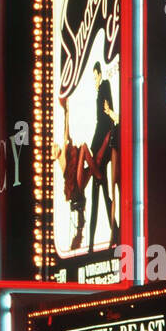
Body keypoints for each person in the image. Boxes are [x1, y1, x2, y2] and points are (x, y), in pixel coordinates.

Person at [54, 99, 104, 250]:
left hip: (78, 185)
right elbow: (65, 134)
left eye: (53, 146)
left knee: (97, 159)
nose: (54, 146)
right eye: (52, 148)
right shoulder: (61, 159)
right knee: (83, 148)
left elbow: (66, 131)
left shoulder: (66, 147)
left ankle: (109, 139)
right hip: (75, 187)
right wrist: (66, 111)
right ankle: (99, 177)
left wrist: (67, 111)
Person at [88, 61, 118, 250]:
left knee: (101, 192)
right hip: (102, 139)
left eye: (95, 76)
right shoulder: (100, 89)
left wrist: (96, 143)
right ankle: (113, 232)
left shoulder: (104, 85)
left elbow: (105, 117)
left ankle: (112, 234)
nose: (94, 80)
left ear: (99, 73)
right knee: (101, 192)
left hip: (103, 139)